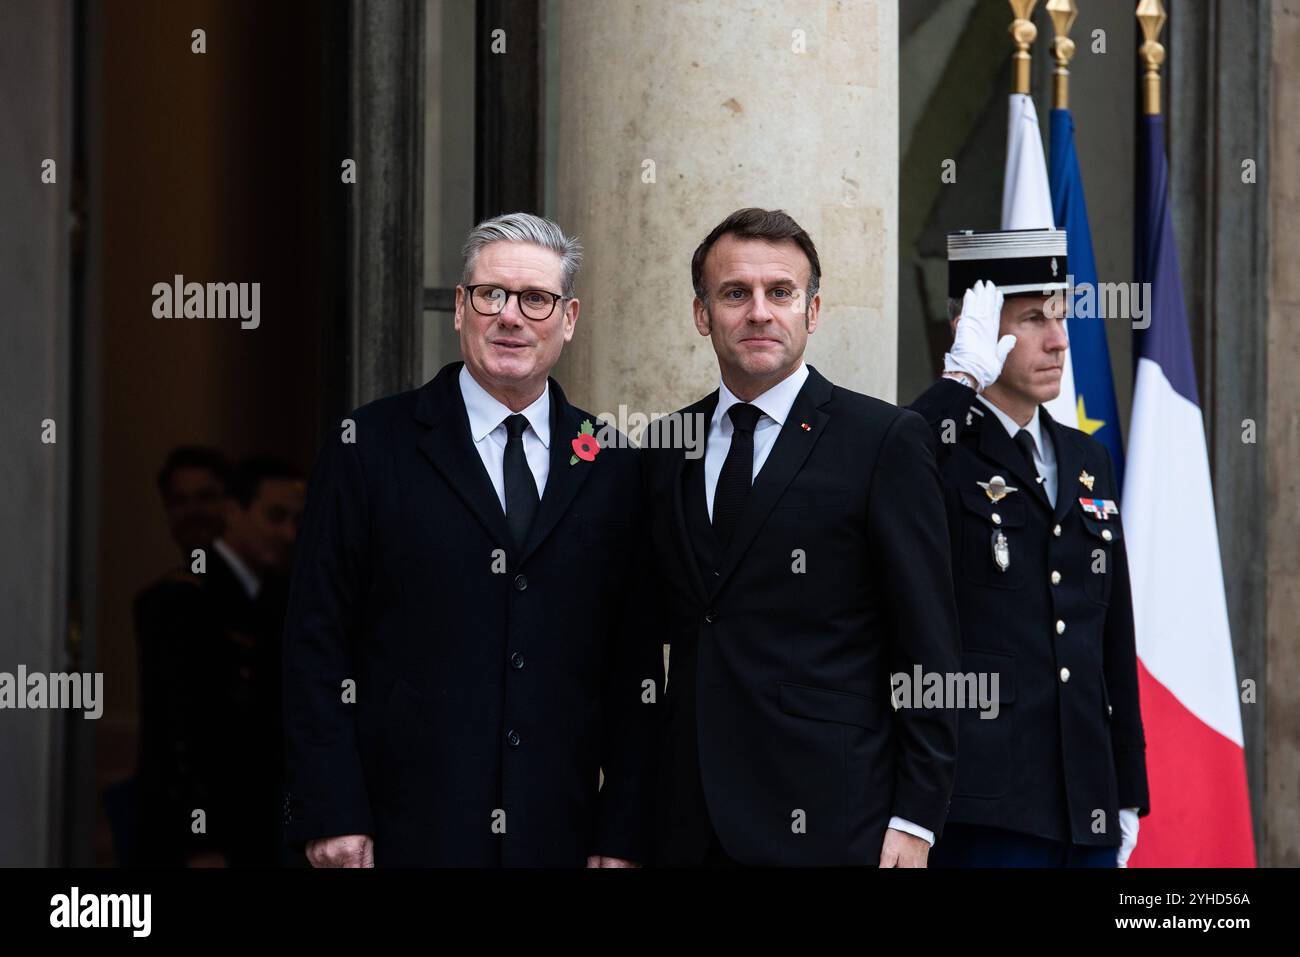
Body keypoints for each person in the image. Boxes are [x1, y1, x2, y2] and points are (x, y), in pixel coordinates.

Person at [282, 212, 657, 867]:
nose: (511, 317)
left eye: (536, 299)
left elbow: (635, 669)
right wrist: (332, 807)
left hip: (557, 837)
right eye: (492, 295)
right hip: (400, 834)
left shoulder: (611, 464)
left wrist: (621, 831)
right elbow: (315, 640)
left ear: (568, 319)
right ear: (460, 308)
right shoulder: (368, 448)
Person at [642, 207, 961, 867]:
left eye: (780, 292)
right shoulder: (664, 447)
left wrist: (917, 816)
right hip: (685, 819)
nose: (759, 311)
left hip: (834, 820)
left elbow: (928, 644)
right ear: (703, 314)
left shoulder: (883, 441)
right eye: (735, 293)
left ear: (812, 312)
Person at [910, 227, 1149, 867]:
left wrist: (1128, 788)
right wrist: (958, 382)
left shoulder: (1085, 456)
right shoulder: (938, 446)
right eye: (1034, 319)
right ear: (980, 330)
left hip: (1085, 797)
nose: (1059, 339)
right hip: (986, 804)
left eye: (1062, 316)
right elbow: (884, 477)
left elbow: (1111, 632)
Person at [136, 454, 305, 867]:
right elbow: (181, 731)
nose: (288, 533)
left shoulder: (285, 596)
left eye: (297, 521)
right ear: (233, 512)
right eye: (276, 516)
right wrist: (201, 842)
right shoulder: (182, 599)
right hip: (206, 834)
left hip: (265, 822)